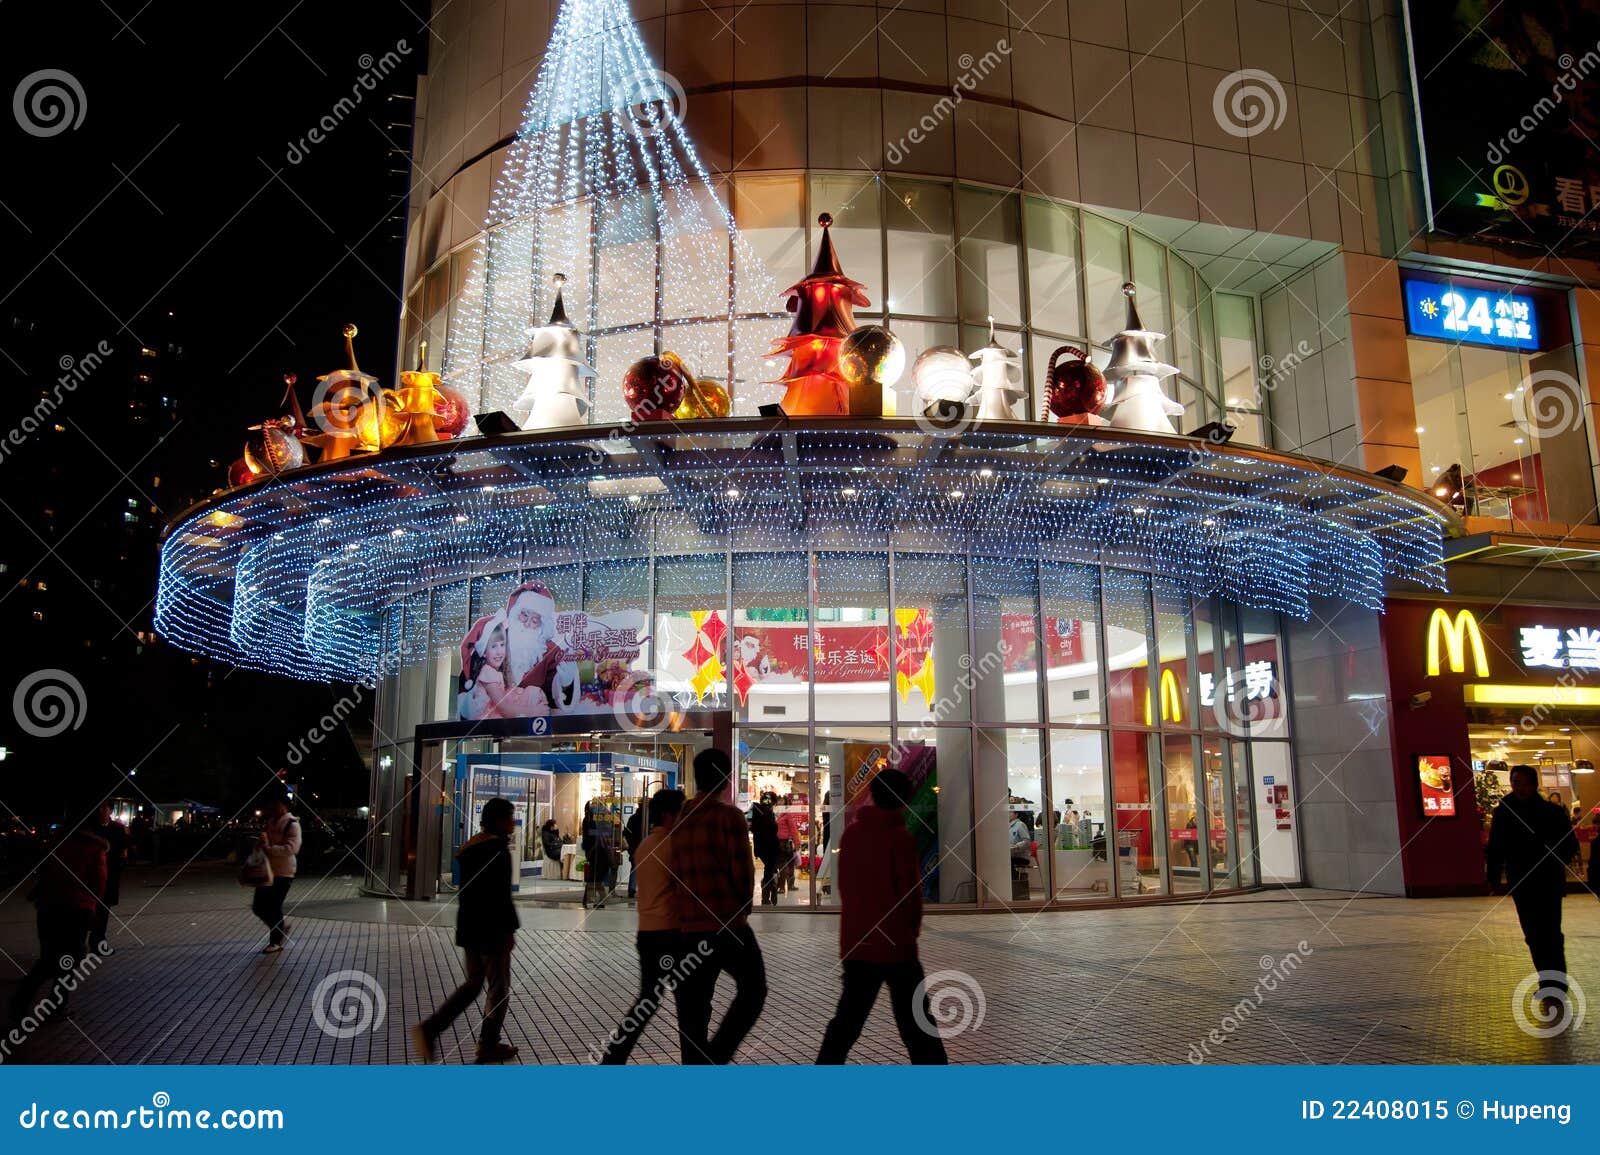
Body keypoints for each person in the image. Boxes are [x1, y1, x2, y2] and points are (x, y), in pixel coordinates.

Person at [816, 769, 947, 1064]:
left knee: (847, 1022)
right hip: (897, 946)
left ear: (873, 794)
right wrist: (911, 931)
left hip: (858, 943)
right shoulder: (900, 839)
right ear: (903, 799)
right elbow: (910, 895)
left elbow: (845, 887)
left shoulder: (852, 834)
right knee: (916, 1024)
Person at [670, 748, 767, 1064]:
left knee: (693, 1009)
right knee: (753, 990)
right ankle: (716, 1057)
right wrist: (743, 909)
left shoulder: (682, 817)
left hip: (688, 929)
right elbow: (742, 872)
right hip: (727, 926)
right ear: (726, 779)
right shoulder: (729, 817)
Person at [413, 797, 521, 1064]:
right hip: (492, 930)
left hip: (470, 926)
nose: (513, 822)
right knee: (499, 987)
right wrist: (509, 931)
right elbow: (500, 895)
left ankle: (432, 1027)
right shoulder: (497, 849)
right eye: (509, 817)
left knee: (474, 984)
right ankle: (488, 1044)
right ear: (498, 820)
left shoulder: (471, 848)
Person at [600, 788, 686, 1064]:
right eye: (682, 812)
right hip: (670, 934)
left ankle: (615, 1054)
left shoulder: (645, 845)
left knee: (648, 999)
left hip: (647, 933)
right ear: (670, 815)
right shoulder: (674, 846)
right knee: (688, 1002)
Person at [1487, 764, 1577, 1009]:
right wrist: (1494, 877)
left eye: (1523, 782)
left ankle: (1555, 985)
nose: (1519, 787)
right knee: (1535, 935)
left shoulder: (1552, 812)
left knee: (1550, 933)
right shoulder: (1505, 812)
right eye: (1515, 782)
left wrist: (1551, 861)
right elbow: (1496, 846)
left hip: (1547, 882)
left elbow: (1569, 846)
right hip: (1524, 883)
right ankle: (1548, 982)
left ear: (1534, 784)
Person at [8, 819, 107, 1025]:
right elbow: (98, 882)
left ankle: (19, 1002)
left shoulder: (57, 844)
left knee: (47, 958)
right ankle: (56, 1005)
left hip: (49, 906)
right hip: (76, 909)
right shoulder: (94, 848)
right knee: (71, 957)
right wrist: (93, 906)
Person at [253, 795, 301, 953]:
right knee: (258, 906)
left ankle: (275, 941)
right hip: (267, 870)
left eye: (277, 804)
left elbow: (292, 848)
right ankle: (280, 929)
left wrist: (270, 849)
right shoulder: (271, 822)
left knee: (274, 906)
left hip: (284, 872)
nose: (274, 808)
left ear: (285, 806)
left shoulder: (292, 824)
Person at [91, 802, 129, 953]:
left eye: (105, 808)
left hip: (109, 874)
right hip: (92, 875)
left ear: (110, 811)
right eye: (99, 808)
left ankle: (99, 941)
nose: (102, 811)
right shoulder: (90, 828)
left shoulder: (118, 829)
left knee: (103, 910)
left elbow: (124, 850)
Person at [581, 802, 615, 909]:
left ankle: (591, 899)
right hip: (600, 851)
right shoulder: (596, 821)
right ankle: (594, 899)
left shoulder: (589, 820)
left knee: (595, 877)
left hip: (596, 852)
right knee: (596, 877)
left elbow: (587, 838)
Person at [751, 791, 782, 904]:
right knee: (770, 870)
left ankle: (768, 892)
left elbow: (753, 828)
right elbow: (773, 830)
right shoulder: (768, 813)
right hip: (770, 847)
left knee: (769, 870)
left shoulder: (756, 811)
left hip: (760, 847)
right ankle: (769, 892)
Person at [623, 805, 644, 901]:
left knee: (634, 868)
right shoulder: (648, 818)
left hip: (634, 847)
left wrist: (631, 846)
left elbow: (627, 833)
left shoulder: (633, 818)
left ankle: (632, 889)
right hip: (644, 846)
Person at [539, 819, 564, 883]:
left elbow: (560, 842)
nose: (556, 825)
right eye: (555, 824)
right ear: (551, 826)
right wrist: (558, 844)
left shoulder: (554, 832)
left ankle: (564, 873)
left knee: (566, 854)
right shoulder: (545, 833)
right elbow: (548, 844)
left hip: (556, 850)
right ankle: (564, 873)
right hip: (551, 852)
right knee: (564, 855)